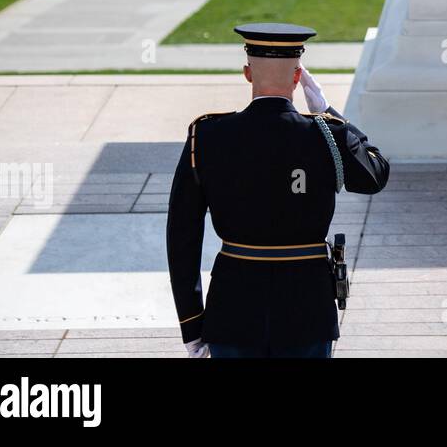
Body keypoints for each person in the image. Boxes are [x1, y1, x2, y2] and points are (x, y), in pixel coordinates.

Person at [166, 22, 390, 358]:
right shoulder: (325, 135)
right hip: (307, 312)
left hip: (233, 311)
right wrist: (328, 112)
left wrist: (191, 322)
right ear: (299, 78)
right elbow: (375, 173)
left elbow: (182, 237)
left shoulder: (209, 136)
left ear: (247, 73)